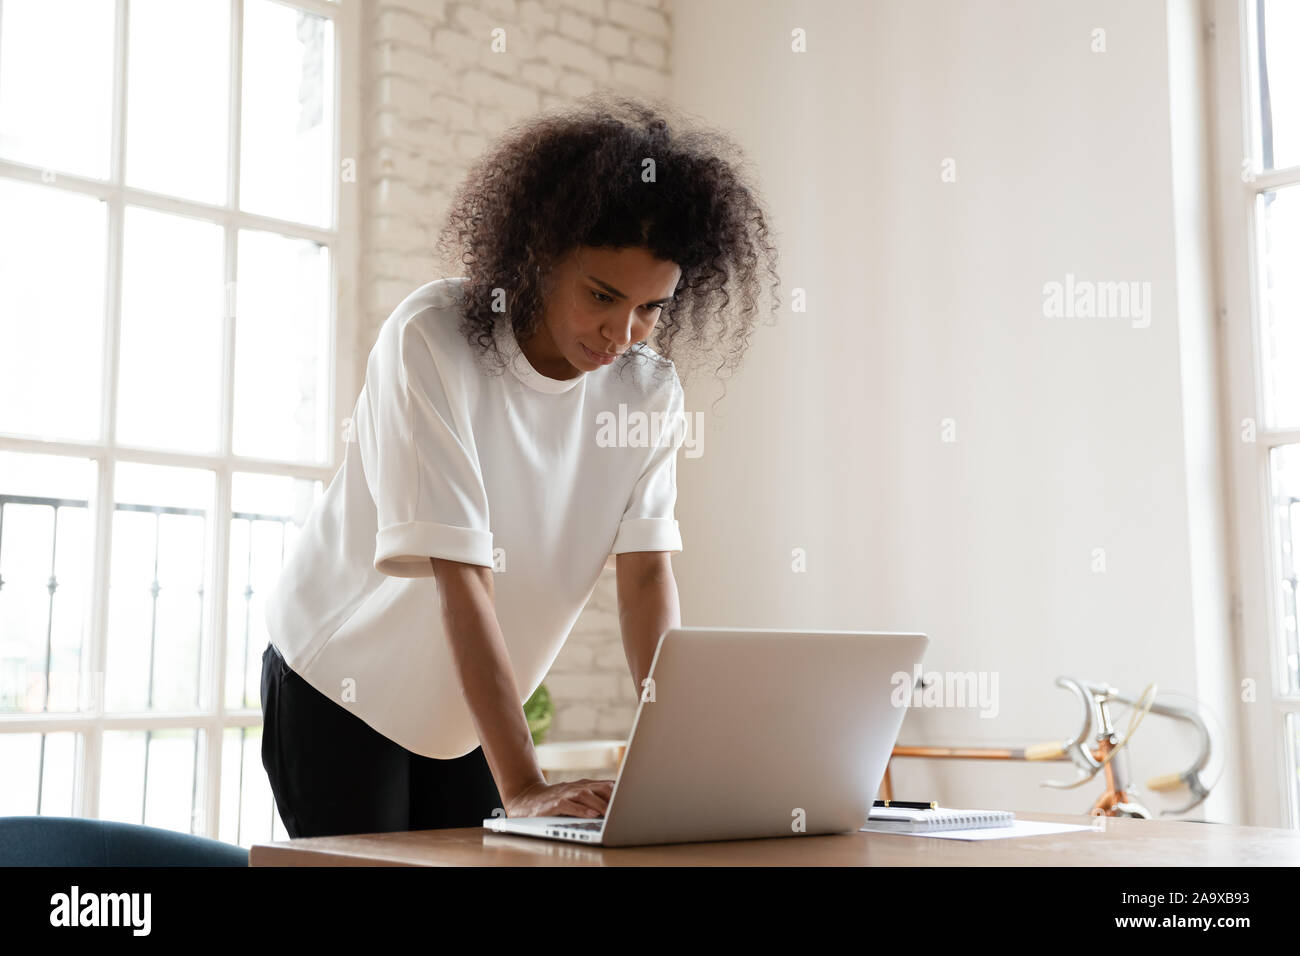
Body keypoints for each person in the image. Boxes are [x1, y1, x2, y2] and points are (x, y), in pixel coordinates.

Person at [260, 93, 781, 838]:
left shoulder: (647, 392)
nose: (622, 332)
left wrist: (682, 758)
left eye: (650, 309)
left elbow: (645, 579)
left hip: (462, 717)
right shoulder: (432, 341)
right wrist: (526, 785)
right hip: (340, 683)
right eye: (601, 295)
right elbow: (465, 576)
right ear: (539, 255)